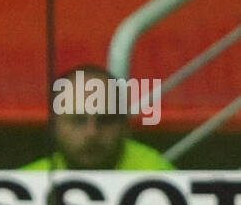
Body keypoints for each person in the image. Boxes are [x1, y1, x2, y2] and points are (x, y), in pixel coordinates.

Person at [23, 65, 174, 172]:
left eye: (106, 120)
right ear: (55, 126)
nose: (92, 133)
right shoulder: (30, 182)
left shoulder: (158, 176)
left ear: (124, 126)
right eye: (78, 120)